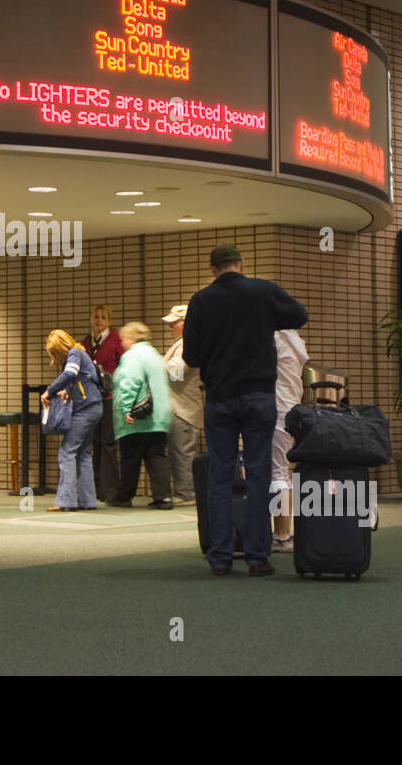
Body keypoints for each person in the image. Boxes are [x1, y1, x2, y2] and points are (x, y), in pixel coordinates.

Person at [183, 244, 308, 577]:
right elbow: (299, 315)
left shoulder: (201, 301)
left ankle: (221, 557)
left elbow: (192, 357)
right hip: (259, 396)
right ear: (240, 264)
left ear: (213, 269)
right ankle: (257, 556)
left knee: (220, 477)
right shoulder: (262, 290)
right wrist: (265, 318)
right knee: (259, 475)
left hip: (220, 397)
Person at [111, 322, 174, 508]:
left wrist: (126, 407)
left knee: (130, 457)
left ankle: (124, 496)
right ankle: (163, 497)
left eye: (123, 338)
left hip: (138, 418)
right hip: (159, 415)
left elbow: (131, 381)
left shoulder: (133, 356)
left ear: (131, 338)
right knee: (156, 456)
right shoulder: (155, 355)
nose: (122, 343)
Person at [41, 329, 103, 511]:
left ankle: (65, 501)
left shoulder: (75, 353)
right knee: (83, 453)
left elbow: (70, 374)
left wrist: (49, 390)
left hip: (85, 409)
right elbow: (80, 380)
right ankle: (88, 501)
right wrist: (66, 391)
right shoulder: (82, 354)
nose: (57, 356)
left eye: (56, 352)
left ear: (62, 346)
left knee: (67, 451)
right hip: (95, 407)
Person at [269, 328, 309, 553]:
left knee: (277, 473)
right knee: (281, 470)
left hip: (275, 408)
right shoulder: (295, 338)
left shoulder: (273, 338)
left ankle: (282, 535)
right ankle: (283, 533)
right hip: (291, 407)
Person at [162, 304, 203, 506]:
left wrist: (157, 364)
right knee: (178, 450)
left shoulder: (189, 343)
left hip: (183, 408)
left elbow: (176, 373)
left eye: (174, 323)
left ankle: (186, 492)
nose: (171, 327)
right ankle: (183, 489)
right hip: (178, 406)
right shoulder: (182, 343)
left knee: (182, 451)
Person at [83, 304, 123, 502]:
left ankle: (110, 490)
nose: (99, 320)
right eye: (96, 317)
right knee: (96, 443)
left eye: (103, 317)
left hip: (109, 398)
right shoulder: (86, 342)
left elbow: (123, 365)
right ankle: (97, 488)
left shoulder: (116, 340)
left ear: (109, 321)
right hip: (91, 399)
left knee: (108, 442)